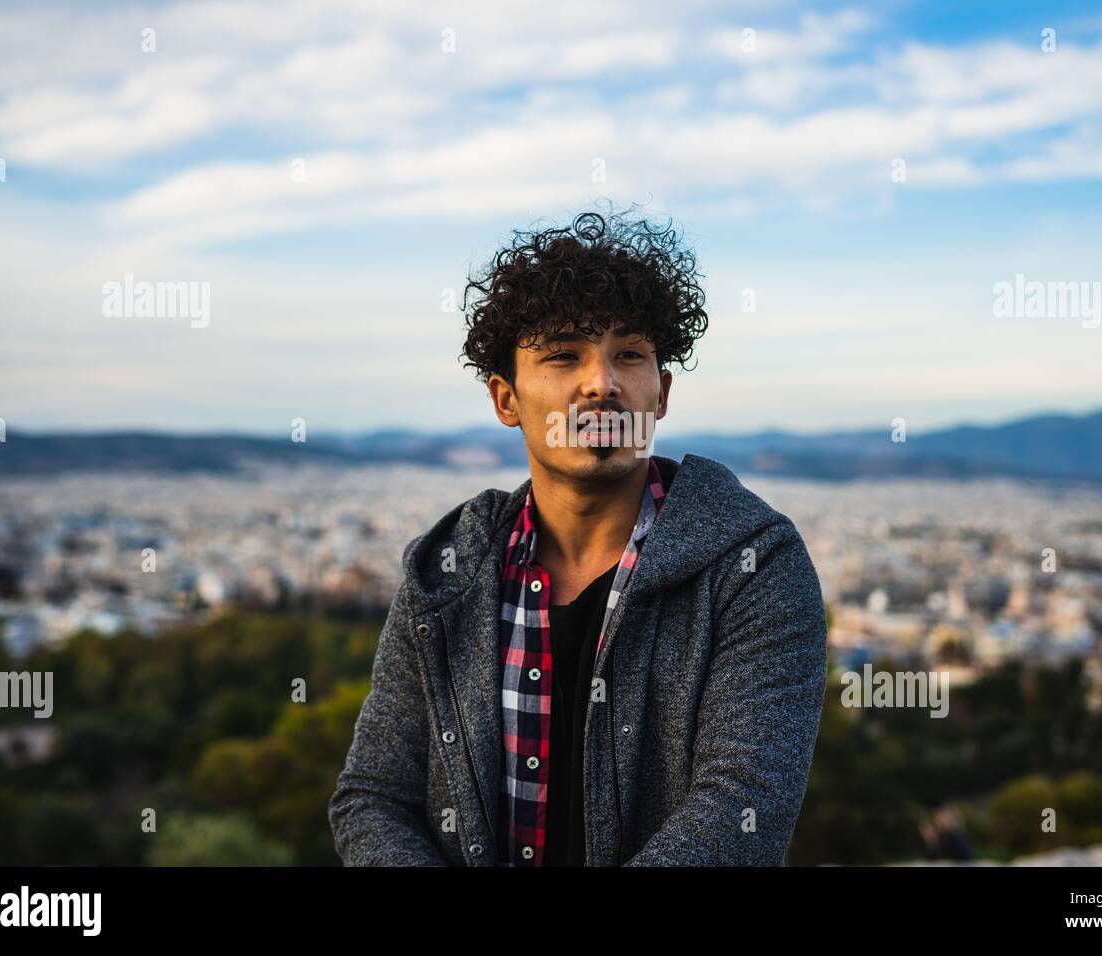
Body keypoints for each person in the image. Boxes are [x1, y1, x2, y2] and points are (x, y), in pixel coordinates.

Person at [328, 206, 828, 866]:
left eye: (630, 354)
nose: (602, 382)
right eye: (564, 355)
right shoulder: (448, 570)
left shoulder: (753, 564)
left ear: (662, 392)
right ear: (505, 399)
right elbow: (373, 796)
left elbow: (742, 805)